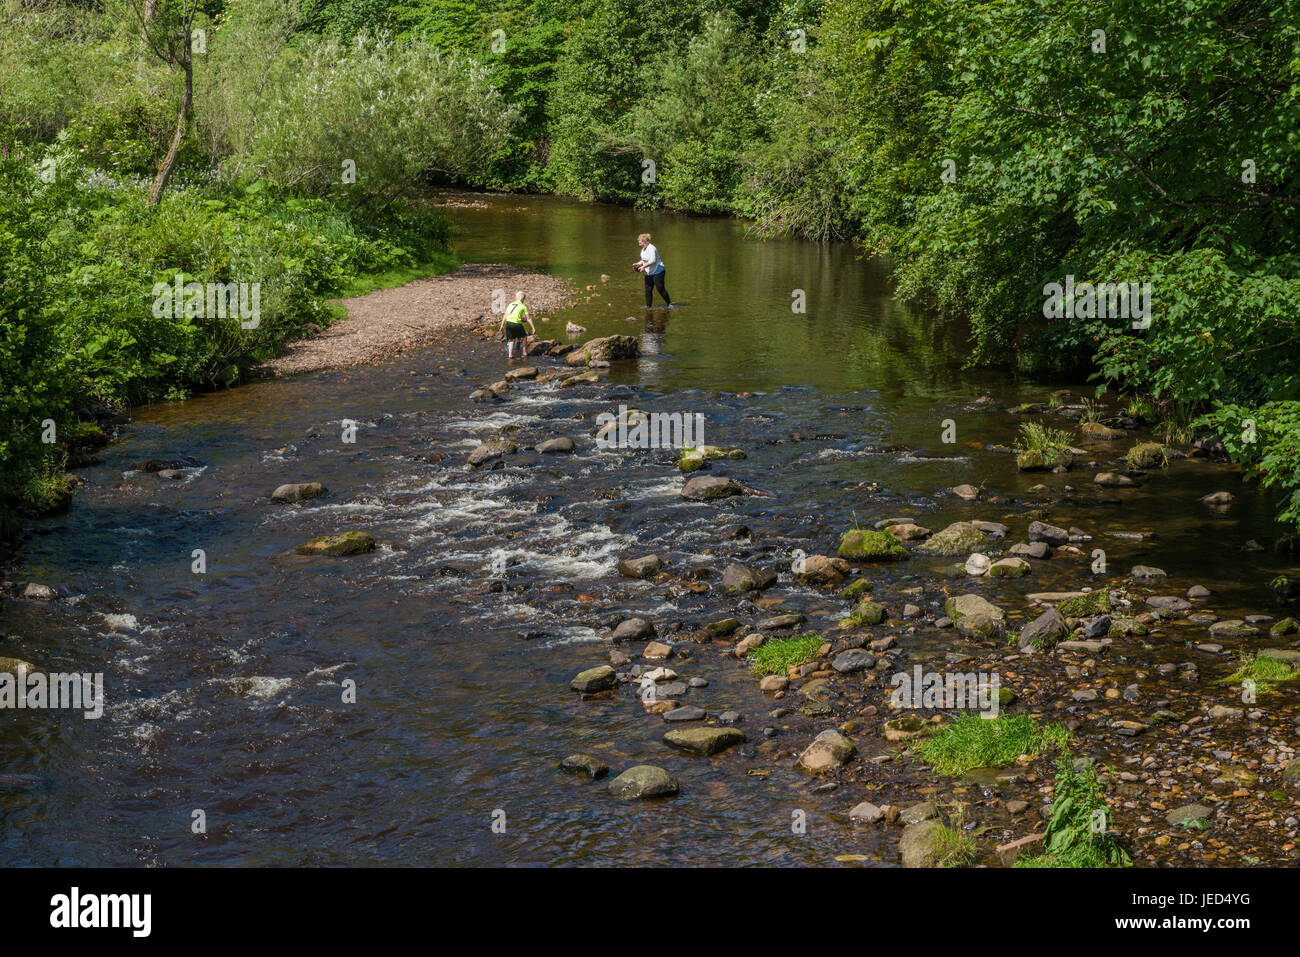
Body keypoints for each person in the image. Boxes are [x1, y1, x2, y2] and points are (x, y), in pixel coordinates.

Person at [633, 233, 671, 307]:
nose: (639, 244)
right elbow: (644, 259)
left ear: (645, 242)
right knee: (648, 290)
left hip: (658, 270)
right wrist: (638, 264)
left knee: (660, 289)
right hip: (649, 272)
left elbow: (652, 261)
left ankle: (669, 304)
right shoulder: (643, 249)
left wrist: (643, 267)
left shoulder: (652, 248)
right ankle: (648, 307)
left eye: (640, 242)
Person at [498, 291, 536, 358]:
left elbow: (505, 315)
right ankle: (524, 352)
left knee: (511, 339)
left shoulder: (511, 304)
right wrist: (533, 327)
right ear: (523, 299)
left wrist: (502, 325)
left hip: (508, 323)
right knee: (524, 337)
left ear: (516, 298)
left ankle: (510, 355)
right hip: (516, 324)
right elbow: (528, 318)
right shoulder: (523, 306)